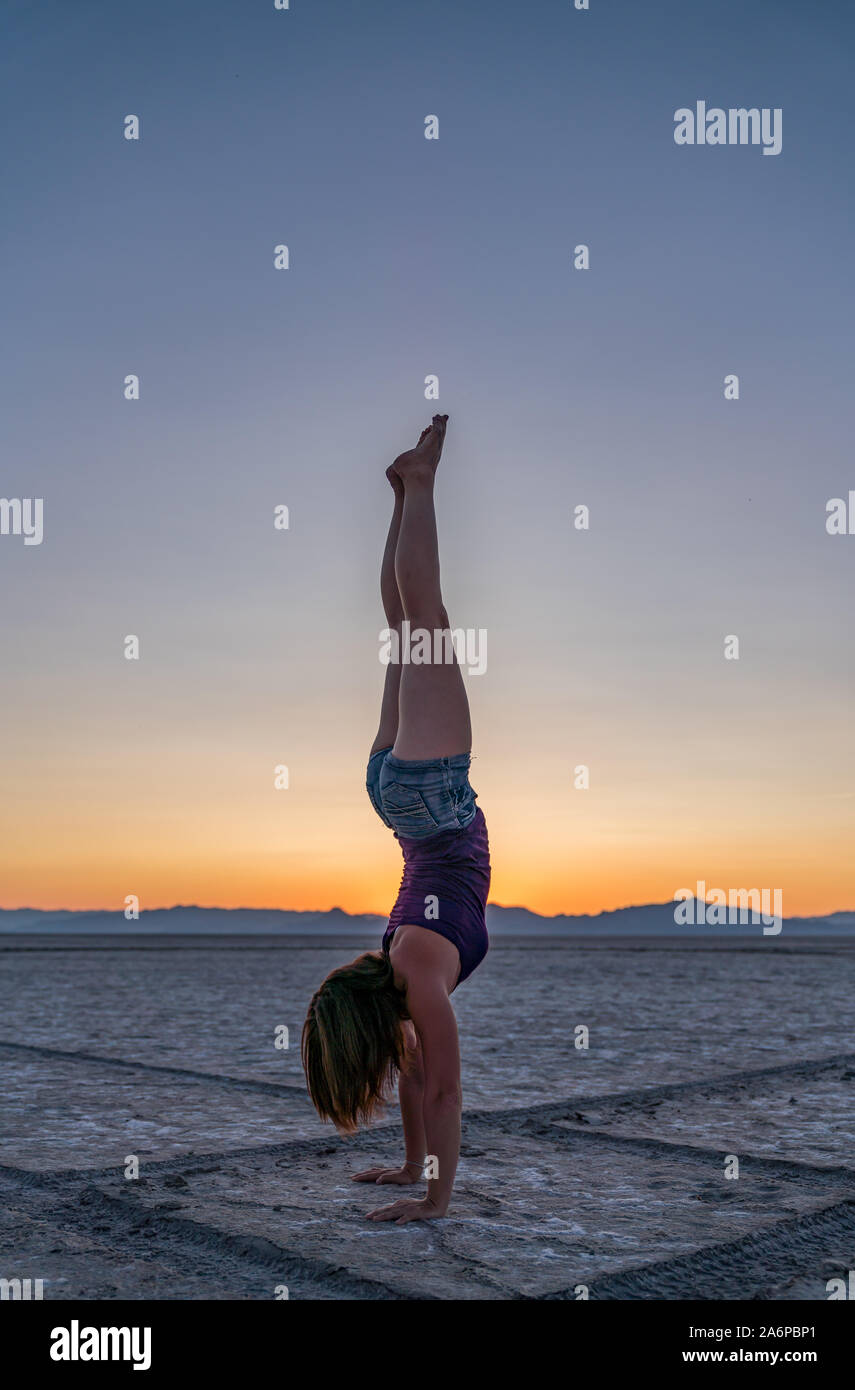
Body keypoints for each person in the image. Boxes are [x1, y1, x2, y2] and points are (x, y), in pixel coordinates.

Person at [301, 414, 491, 1224]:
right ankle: (401, 488)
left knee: (426, 622)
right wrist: (411, 1166)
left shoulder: (415, 976)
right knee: (408, 630)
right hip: (396, 800)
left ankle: (416, 485)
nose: (387, 1064)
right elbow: (420, 1078)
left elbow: (442, 1086)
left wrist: (434, 1203)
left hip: (431, 798)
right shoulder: (399, 971)